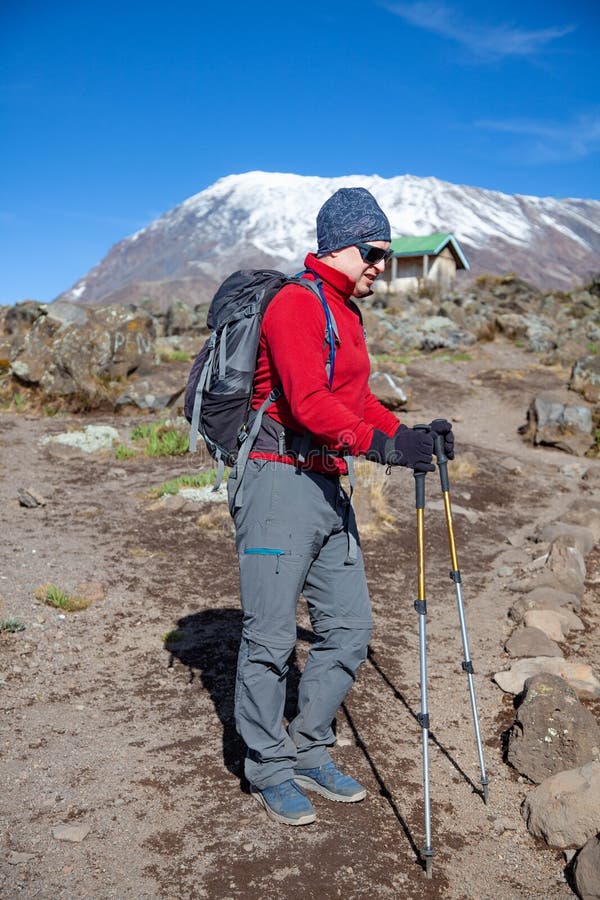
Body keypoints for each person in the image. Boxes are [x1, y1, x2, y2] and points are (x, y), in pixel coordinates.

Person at [227, 187, 454, 826]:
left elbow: (353, 404)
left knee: (350, 628)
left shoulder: (345, 311)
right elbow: (307, 406)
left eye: (386, 250)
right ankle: (269, 767)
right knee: (270, 638)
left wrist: (410, 434)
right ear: (338, 245)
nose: (382, 262)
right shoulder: (297, 305)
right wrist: (383, 446)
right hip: (277, 484)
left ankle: (308, 747)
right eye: (373, 250)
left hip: (328, 486)